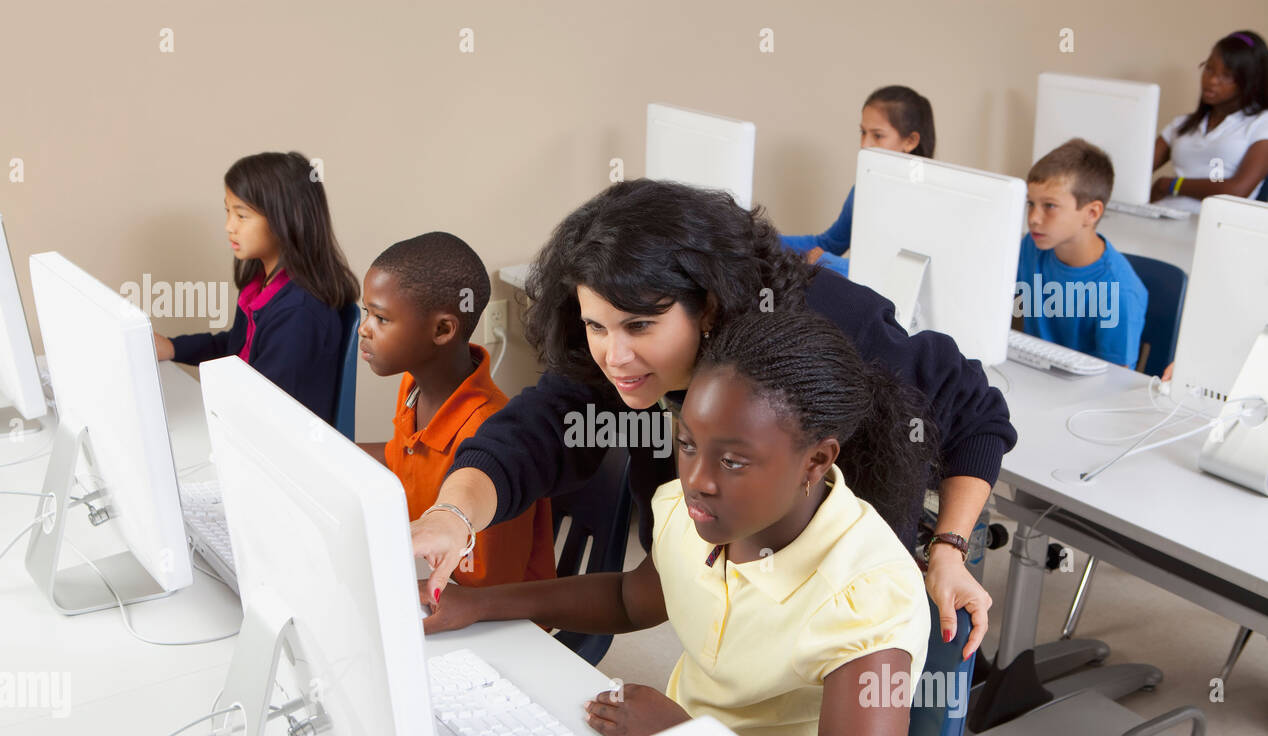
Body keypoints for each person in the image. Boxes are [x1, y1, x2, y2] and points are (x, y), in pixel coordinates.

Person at [413, 179, 1017, 660]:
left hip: (835, 593)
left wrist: (949, 547)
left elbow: (974, 413)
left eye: (639, 326)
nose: (613, 356)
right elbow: (536, 433)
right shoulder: (638, 395)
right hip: (731, 606)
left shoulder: (824, 329)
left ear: (704, 308)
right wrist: (452, 516)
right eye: (596, 326)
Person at [422, 310, 933, 736]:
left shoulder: (870, 593)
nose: (697, 481)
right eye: (687, 445)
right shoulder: (692, 516)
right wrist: (480, 604)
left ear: (815, 462)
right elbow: (629, 597)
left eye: (733, 461)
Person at [355, 233, 555, 588]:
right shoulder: (413, 387)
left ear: (443, 329)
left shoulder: (490, 434)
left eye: (381, 319)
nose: (364, 329)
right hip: (425, 571)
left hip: (492, 616)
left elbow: (489, 583)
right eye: (365, 312)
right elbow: (403, 461)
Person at [154, 151, 359, 423]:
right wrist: (172, 347)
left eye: (242, 215)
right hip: (251, 426)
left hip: (276, 445)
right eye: (228, 212)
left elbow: (266, 407)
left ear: (284, 219)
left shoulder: (298, 313)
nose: (229, 226)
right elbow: (236, 349)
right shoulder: (263, 284)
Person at [1017, 139, 1148, 368]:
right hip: (1033, 378)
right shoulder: (1032, 246)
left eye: (1049, 206)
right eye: (1030, 203)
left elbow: (1115, 381)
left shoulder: (1118, 292)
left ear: (1091, 213)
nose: (1034, 218)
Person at [781, 85, 936, 276]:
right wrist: (760, 237)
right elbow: (829, 243)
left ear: (910, 141)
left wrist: (827, 262)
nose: (865, 144)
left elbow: (900, 276)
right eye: (863, 132)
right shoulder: (863, 189)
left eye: (877, 135)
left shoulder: (924, 201)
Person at [1151, 30, 1268, 212]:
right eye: (1209, 68)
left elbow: (1237, 190)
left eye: (1227, 75)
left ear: (1249, 81)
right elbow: (1138, 167)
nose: (1212, 80)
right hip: (1165, 214)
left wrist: (1172, 185)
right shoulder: (1183, 124)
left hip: (1213, 225)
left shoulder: (1260, 123)